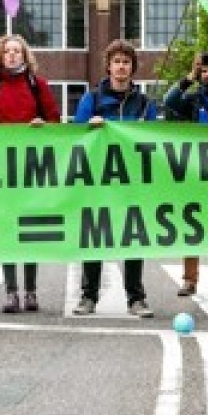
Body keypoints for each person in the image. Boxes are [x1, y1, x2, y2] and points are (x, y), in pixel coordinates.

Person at [71, 39, 158, 318]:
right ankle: (88, 296)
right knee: (96, 236)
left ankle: (136, 297)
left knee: (133, 236)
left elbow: (157, 140)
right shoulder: (92, 99)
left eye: (126, 62)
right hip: (98, 179)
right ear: (108, 66)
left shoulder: (144, 104)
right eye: (117, 62)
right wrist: (90, 126)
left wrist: (147, 131)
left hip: (132, 180)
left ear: (133, 68)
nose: (121, 67)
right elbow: (76, 134)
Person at [0, 34, 62, 313]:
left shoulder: (37, 86)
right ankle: (11, 292)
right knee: (7, 230)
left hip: (31, 169)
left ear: (25, 57)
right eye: (7, 52)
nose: (12, 55)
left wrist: (43, 124)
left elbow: (54, 119)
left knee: (29, 229)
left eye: (17, 51)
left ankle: (31, 291)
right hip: (2, 170)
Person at [163, 51, 208, 297]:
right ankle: (190, 279)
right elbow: (170, 101)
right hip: (196, 169)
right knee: (193, 225)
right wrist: (189, 76)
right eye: (204, 71)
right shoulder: (193, 99)